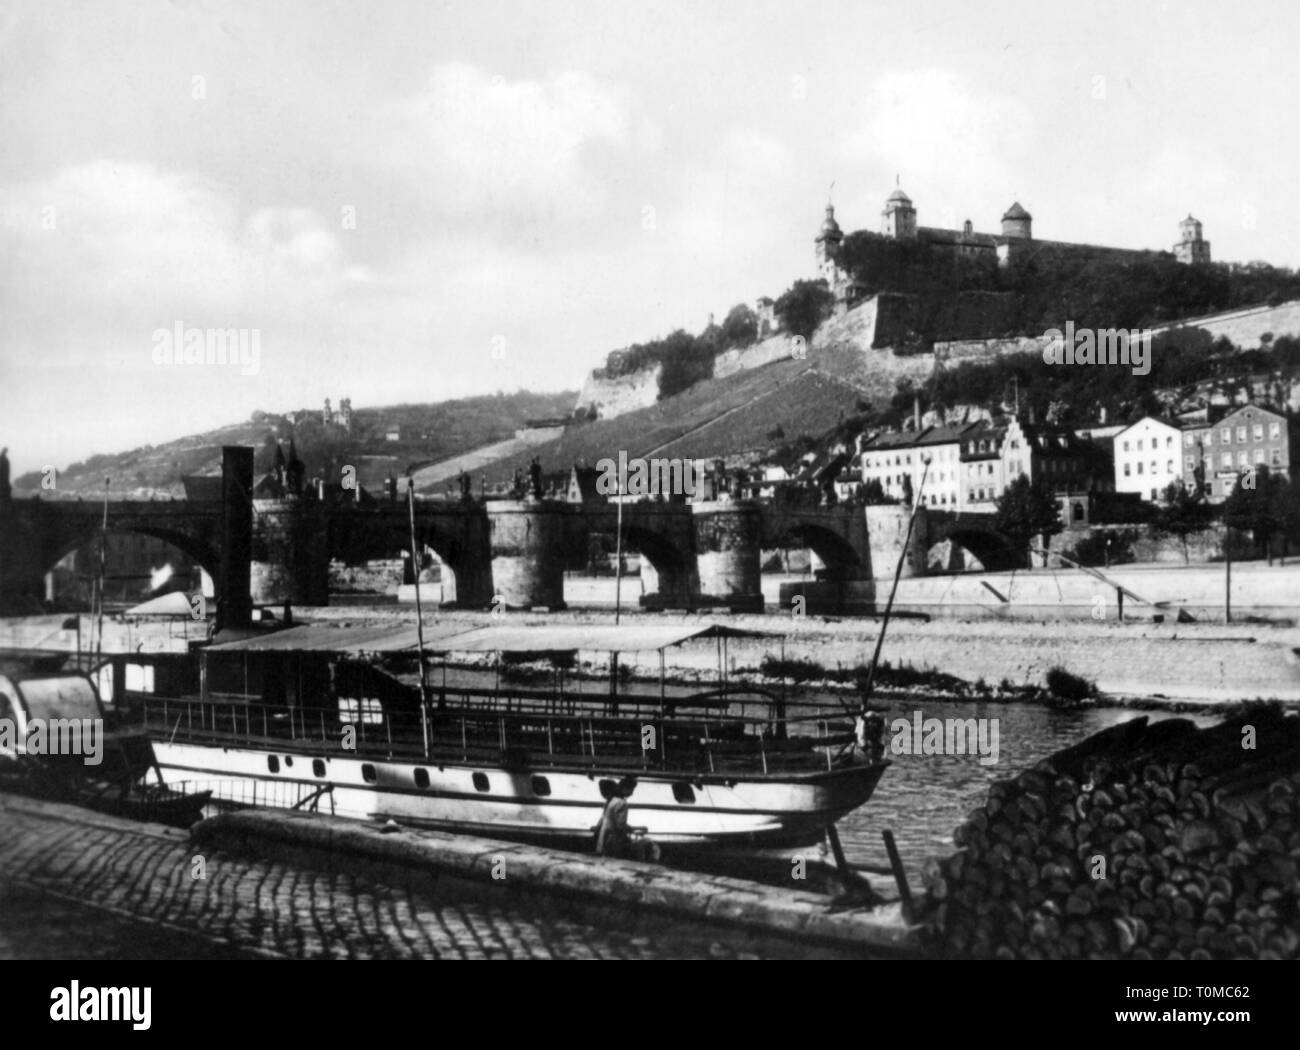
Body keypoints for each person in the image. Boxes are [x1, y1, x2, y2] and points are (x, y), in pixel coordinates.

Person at [594, 776, 638, 858]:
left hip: (604, 836)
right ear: (625, 788)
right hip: (613, 839)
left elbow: (607, 818)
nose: (632, 794)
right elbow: (620, 826)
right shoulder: (622, 803)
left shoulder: (612, 800)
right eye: (631, 790)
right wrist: (629, 829)